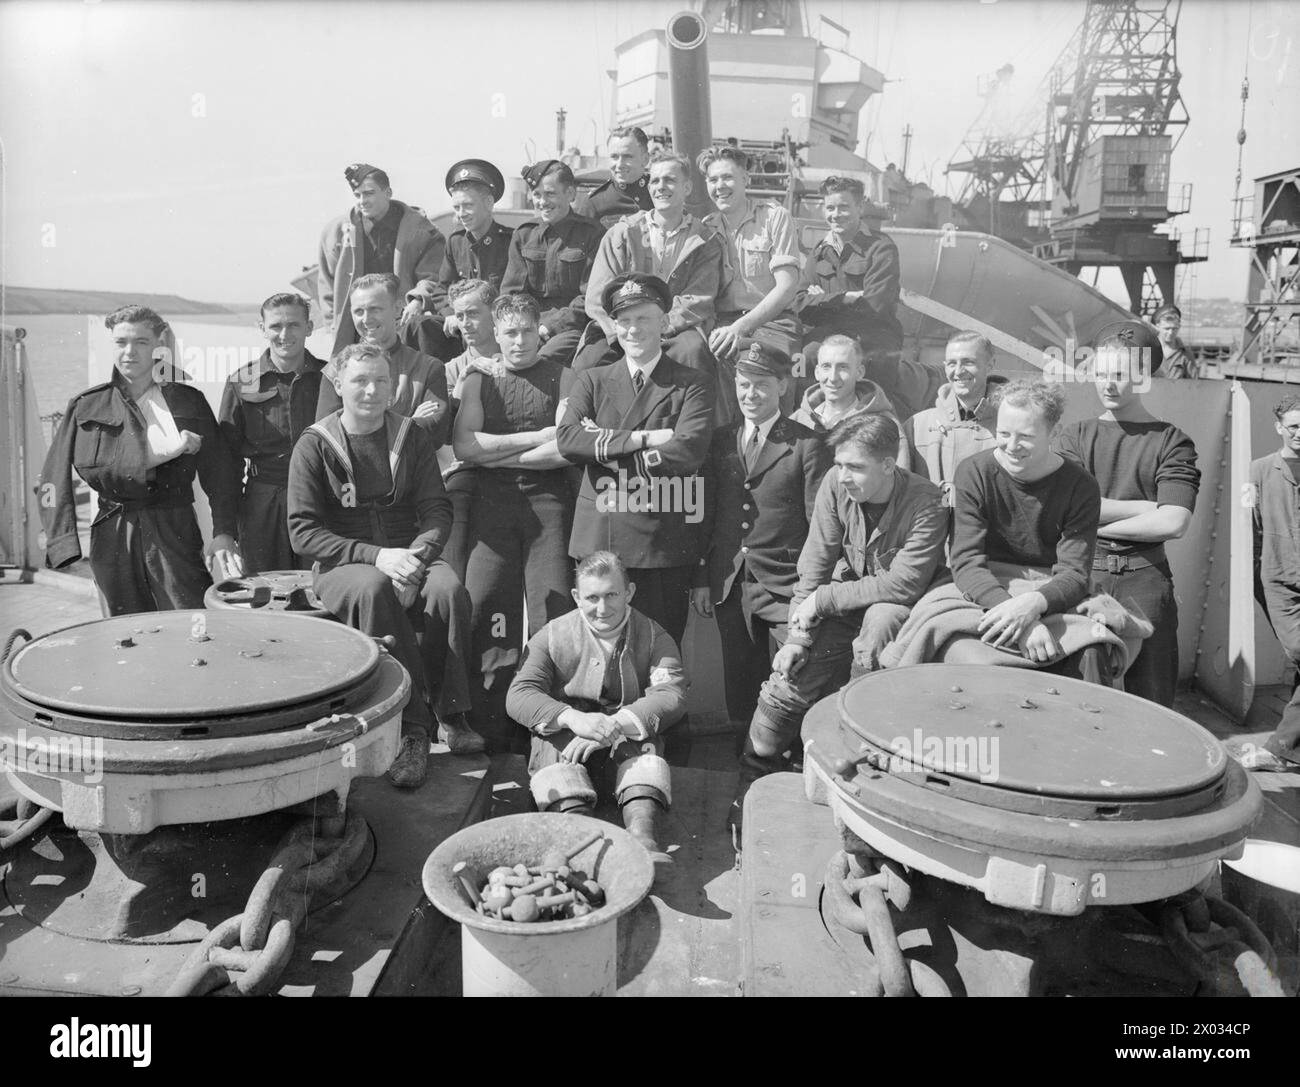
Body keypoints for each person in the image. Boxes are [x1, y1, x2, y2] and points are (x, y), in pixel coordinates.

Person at [727, 414, 949, 839]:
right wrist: (797, 635)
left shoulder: (926, 500)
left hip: (898, 612)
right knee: (787, 681)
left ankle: (855, 793)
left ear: (888, 465)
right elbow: (816, 560)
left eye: (856, 467)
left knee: (877, 634)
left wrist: (823, 599)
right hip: (845, 600)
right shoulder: (835, 483)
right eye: (840, 464)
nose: (844, 475)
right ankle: (750, 788)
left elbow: (904, 583)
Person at [289, 344, 480, 785]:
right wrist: (378, 558)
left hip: (409, 552)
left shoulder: (410, 435)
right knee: (374, 587)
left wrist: (414, 558)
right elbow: (303, 531)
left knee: (447, 589)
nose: (371, 390)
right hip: (344, 562)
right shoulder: (314, 444)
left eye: (380, 380)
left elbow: (437, 510)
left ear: (394, 385)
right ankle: (411, 729)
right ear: (338, 385)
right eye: (359, 380)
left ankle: (452, 715)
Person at [40, 305, 241, 616]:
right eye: (121, 342)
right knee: (124, 631)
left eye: (141, 342)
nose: (129, 352)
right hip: (113, 531)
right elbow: (53, 479)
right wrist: (62, 544)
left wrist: (224, 532)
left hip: (173, 526)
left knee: (192, 619)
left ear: (158, 345)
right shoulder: (86, 405)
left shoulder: (189, 401)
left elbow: (221, 473)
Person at [557, 273, 715, 649]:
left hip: (661, 537)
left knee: (660, 652)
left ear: (663, 323)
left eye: (643, 318)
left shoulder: (692, 382)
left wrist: (609, 455)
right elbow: (568, 440)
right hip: (601, 537)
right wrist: (642, 439)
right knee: (599, 651)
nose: (633, 329)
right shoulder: (592, 380)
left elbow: (689, 450)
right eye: (624, 321)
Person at [453, 293, 577, 752]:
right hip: (493, 506)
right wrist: (536, 437)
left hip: (549, 503)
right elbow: (465, 447)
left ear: (539, 330)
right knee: (488, 605)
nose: (519, 340)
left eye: (527, 330)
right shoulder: (479, 377)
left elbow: (565, 446)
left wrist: (500, 450)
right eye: (510, 332)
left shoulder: (563, 376)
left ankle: (550, 726)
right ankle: (492, 726)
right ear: (496, 334)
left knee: (553, 607)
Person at [507, 551, 685, 864]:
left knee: (646, 752)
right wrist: (573, 719)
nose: (602, 608)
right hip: (569, 743)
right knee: (551, 754)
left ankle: (642, 837)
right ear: (576, 596)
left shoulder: (655, 635)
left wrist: (613, 725)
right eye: (591, 597)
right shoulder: (551, 635)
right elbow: (519, 694)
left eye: (612, 595)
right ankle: (579, 842)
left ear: (628, 592)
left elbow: (672, 695)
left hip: (623, 743)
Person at [1055, 321, 1199, 708]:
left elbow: (1174, 522)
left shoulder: (1171, 441)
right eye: (1100, 374)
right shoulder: (1076, 436)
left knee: (1153, 699)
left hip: (1146, 582)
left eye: (1120, 375)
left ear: (1144, 377)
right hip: (1086, 574)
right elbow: (1063, 508)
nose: (1108, 384)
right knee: (1082, 695)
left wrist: (1094, 520)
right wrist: (1146, 508)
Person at [691, 342, 831, 728]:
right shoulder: (721, 441)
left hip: (787, 586)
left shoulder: (807, 445)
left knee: (794, 681)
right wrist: (703, 578)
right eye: (743, 384)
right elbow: (708, 515)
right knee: (739, 683)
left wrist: (811, 591)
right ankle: (745, 770)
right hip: (731, 582)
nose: (750, 395)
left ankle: (788, 766)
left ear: (783, 386)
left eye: (761, 385)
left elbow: (821, 528)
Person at [949, 382, 1101, 672]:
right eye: (1003, 433)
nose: (1011, 445)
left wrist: (1032, 606)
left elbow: (1075, 573)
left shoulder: (1081, 487)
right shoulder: (974, 473)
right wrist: (1019, 621)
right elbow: (966, 562)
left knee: (1094, 653)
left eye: (1026, 436)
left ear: (1054, 433)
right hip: (986, 586)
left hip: (1049, 590)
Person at [575, 152, 729, 421]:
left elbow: (698, 299)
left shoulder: (705, 241)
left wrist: (654, 329)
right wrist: (626, 330)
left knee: (693, 354)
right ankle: (582, 434)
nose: (661, 187)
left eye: (670, 180)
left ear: (687, 187)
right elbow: (598, 296)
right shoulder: (623, 233)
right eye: (655, 180)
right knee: (590, 360)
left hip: (677, 330)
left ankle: (691, 438)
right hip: (621, 326)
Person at [794, 176, 942, 420]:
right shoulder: (820, 251)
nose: (836, 214)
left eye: (844, 207)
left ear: (860, 208)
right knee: (802, 360)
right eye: (830, 208)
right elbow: (798, 302)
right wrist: (845, 298)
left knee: (873, 383)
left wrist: (822, 302)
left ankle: (880, 424)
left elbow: (876, 305)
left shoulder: (880, 247)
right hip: (828, 335)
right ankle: (810, 424)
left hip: (873, 335)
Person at [217, 293, 327, 573]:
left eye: (294, 325)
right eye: (276, 326)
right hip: (262, 504)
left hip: (321, 500)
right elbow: (226, 464)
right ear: (262, 328)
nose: (284, 334)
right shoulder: (242, 382)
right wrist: (225, 530)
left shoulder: (330, 378)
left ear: (309, 328)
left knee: (321, 589)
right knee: (266, 591)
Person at [318, 163, 446, 357]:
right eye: (357, 195)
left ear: (388, 192)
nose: (362, 201)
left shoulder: (421, 230)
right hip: (357, 328)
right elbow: (327, 284)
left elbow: (432, 275)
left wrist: (418, 300)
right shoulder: (335, 233)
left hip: (402, 321)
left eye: (369, 193)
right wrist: (333, 326)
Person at [316, 273, 451, 446]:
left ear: (397, 308)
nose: (366, 319)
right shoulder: (335, 370)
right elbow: (328, 437)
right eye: (358, 311)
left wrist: (361, 427)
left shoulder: (428, 368)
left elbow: (435, 433)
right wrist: (410, 422)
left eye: (375, 309)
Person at [698, 146, 802, 369]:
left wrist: (740, 328)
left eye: (727, 177)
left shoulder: (774, 217)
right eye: (712, 179)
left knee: (764, 367)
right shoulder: (706, 228)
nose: (719, 186)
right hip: (723, 323)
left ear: (745, 178)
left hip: (775, 323)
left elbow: (787, 288)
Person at [401, 159, 514, 360]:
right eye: (457, 207)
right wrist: (450, 314)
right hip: (462, 325)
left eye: (468, 206)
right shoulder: (456, 242)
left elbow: (512, 293)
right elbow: (441, 290)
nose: (461, 214)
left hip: (495, 328)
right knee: (419, 326)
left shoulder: (511, 242)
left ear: (489, 203)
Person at [1242, 395, 1300, 771]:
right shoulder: (1258, 470)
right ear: (1279, 427)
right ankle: (1281, 749)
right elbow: (1249, 528)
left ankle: (1283, 748)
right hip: (1279, 581)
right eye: (1293, 425)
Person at [499, 160, 604, 365]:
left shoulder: (593, 234)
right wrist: (525, 328)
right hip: (528, 326)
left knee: (542, 360)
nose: (542, 202)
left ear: (571, 194)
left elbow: (590, 297)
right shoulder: (524, 235)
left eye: (550, 194)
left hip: (573, 327)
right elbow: (512, 293)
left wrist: (549, 326)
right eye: (537, 195)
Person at [438, 279, 501, 581]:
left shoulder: (517, 353)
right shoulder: (450, 369)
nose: (466, 323)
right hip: (467, 472)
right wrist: (463, 384)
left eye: (473, 313)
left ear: (495, 313)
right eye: (460, 316)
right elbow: (448, 434)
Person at [906, 330, 1006, 504]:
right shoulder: (917, 426)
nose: (958, 371)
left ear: (990, 365)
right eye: (952, 363)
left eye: (968, 362)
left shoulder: (1011, 424)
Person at [792, 334, 909, 466]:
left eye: (843, 367)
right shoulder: (798, 420)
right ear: (817, 372)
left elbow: (898, 480)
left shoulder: (885, 425)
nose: (833, 377)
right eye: (826, 366)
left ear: (859, 372)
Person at [573, 126, 655, 231]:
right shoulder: (595, 203)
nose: (620, 164)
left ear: (645, 159)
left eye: (628, 156)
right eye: (614, 157)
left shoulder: (660, 195)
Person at [1152, 304, 1195, 379]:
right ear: (1157, 326)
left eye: (1174, 329)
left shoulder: (1186, 354)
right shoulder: (1147, 351)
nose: (1171, 332)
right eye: (1167, 329)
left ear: (1179, 326)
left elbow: (1195, 384)